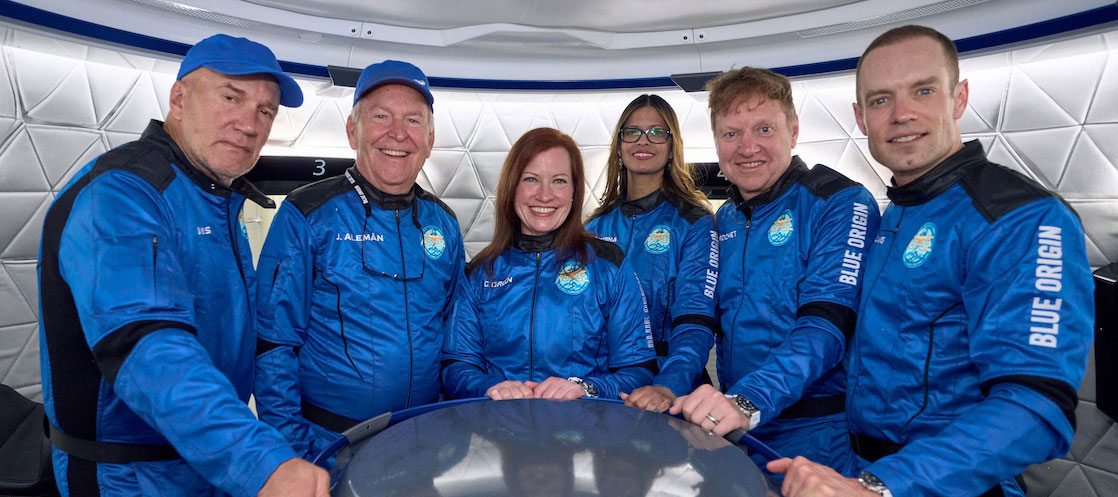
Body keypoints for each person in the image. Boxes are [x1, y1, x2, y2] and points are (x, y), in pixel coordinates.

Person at [769, 25, 1094, 497]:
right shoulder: (896, 212)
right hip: (863, 466)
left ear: (959, 98)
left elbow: (1036, 406)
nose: (901, 114)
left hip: (944, 484)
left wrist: (881, 486)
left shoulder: (1017, 216)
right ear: (861, 118)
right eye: (881, 99)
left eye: (923, 90)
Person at [37, 34, 328, 497]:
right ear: (179, 98)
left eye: (265, 111)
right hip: (127, 476)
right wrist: (259, 461)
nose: (249, 124)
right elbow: (147, 346)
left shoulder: (216, 196)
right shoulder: (123, 194)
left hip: (205, 462)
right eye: (231, 97)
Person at [669, 67, 880, 478]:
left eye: (764, 129)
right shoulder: (726, 218)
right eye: (731, 134)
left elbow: (826, 326)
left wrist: (749, 400)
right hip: (739, 428)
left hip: (818, 432)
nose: (747, 147)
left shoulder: (838, 202)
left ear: (793, 130)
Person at [253, 60, 465, 459]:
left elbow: (456, 336)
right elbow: (272, 343)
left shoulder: (444, 223)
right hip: (329, 442)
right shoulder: (307, 214)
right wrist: (292, 452)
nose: (398, 133)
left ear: (430, 140)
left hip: (422, 439)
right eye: (381, 116)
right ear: (353, 130)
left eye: (413, 121)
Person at [441, 127, 657, 401]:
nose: (544, 195)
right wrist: (488, 387)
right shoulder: (481, 272)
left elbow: (639, 370)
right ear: (512, 188)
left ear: (574, 191)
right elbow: (456, 366)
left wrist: (587, 388)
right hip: (500, 423)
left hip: (585, 424)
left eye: (559, 181)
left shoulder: (610, 266)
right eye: (531, 179)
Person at [584, 94, 719, 413]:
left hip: (670, 391)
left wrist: (667, 386)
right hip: (607, 390)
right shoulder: (593, 227)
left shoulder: (694, 223)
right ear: (619, 147)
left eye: (657, 132)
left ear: (672, 147)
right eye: (632, 132)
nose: (643, 140)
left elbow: (695, 321)